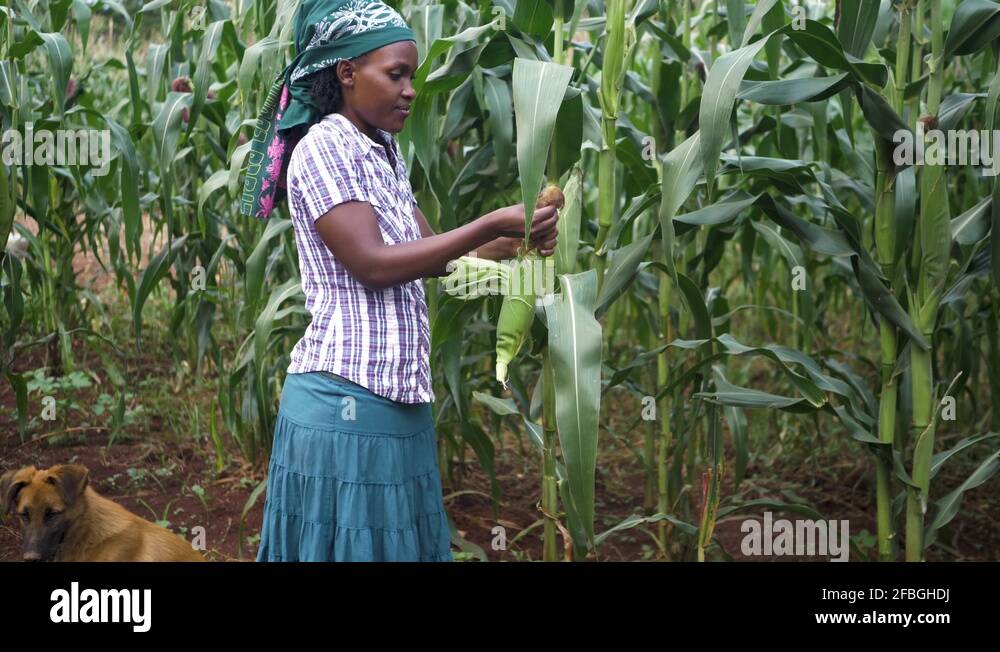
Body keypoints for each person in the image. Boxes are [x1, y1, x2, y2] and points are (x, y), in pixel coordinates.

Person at [250, 0, 559, 562]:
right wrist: (491, 221)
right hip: (346, 405)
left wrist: (518, 238)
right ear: (347, 73)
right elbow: (372, 264)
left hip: (399, 403)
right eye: (396, 74)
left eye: (412, 75)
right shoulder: (324, 148)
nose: (411, 89)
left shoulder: (381, 151)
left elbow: (430, 254)